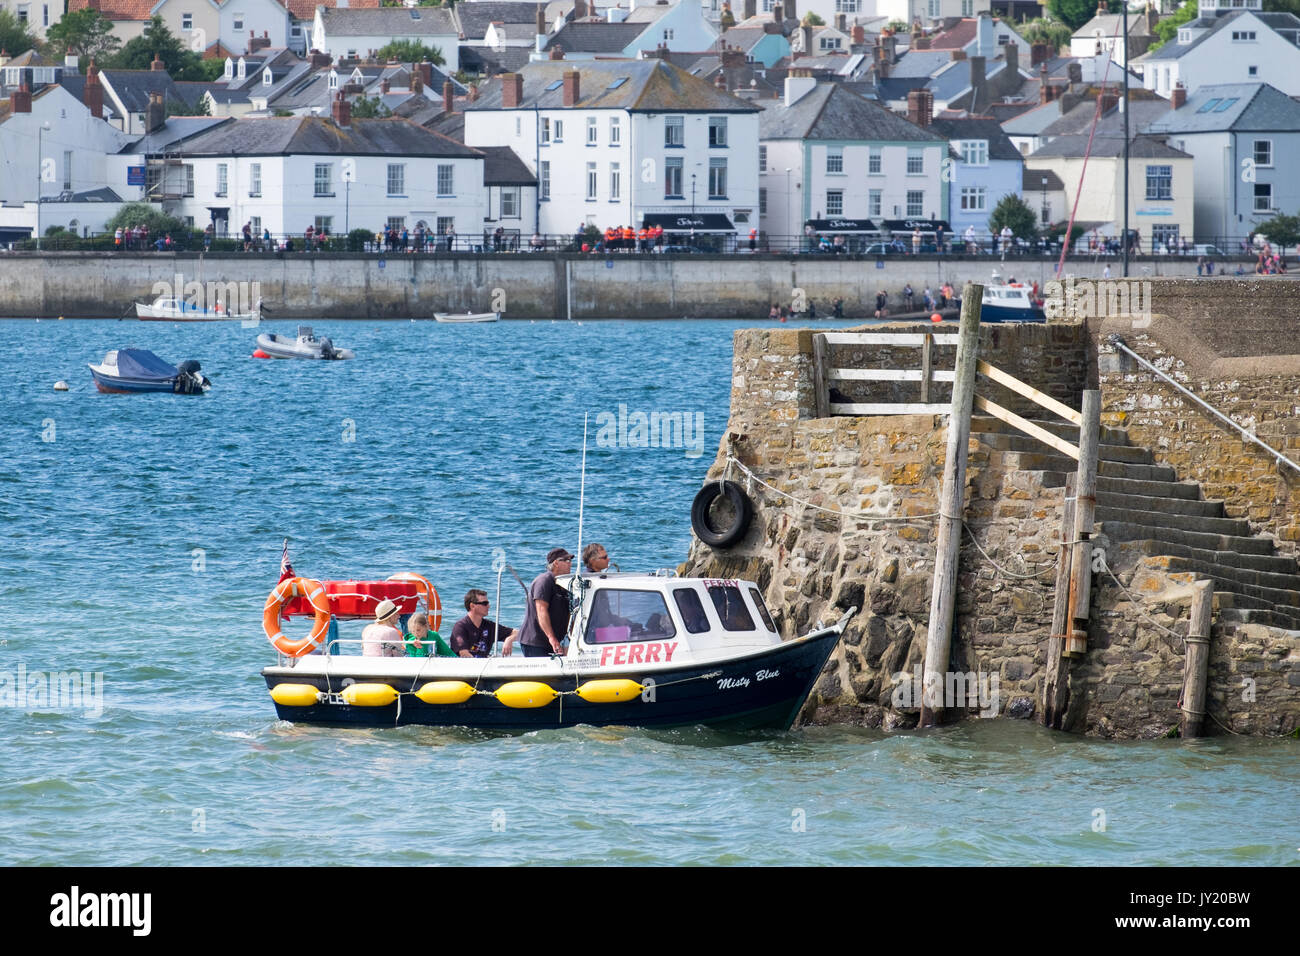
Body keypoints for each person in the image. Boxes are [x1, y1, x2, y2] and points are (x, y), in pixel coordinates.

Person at [516, 548, 573, 657]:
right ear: (556, 563)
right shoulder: (544, 580)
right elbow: (541, 611)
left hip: (555, 640)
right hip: (536, 642)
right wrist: (552, 638)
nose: (570, 564)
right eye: (567, 560)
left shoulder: (563, 583)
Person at [450, 590, 516, 658]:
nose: (488, 606)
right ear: (472, 606)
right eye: (485, 603)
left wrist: (509, 639)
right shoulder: (460, 627)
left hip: (483, 665)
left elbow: (520, 633)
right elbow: (464, 654)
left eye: (488, 603)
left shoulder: (489, 626)